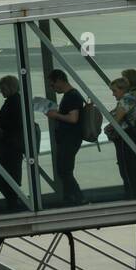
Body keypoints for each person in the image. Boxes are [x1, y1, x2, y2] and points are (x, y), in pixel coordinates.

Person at [46, 69, 85, 206]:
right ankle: (70, 197)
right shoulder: (70, 95)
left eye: (52, 85)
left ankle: (77, 197)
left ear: (59, 80)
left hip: (70, 139)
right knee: (63, 170)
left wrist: (55, 115)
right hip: (68, 138)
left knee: (64, 170)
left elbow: (73, 118)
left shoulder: (72, 96)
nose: (52, 88)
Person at [106, 77, 136, 198]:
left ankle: (133, 194)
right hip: (131, 136)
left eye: (114, 90)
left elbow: (117, 118)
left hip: (126, 137)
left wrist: (108, 128)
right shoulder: (131, 99)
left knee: (127, 168)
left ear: (122, 89)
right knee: (134, 166)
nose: (113, 94)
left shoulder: (127, 99)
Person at [0, 76, 27, 210]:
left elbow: (14, 124)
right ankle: (13, 202)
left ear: (9, 87)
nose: (1, 92)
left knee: (5, 177)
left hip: (11, 146)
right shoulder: (16, 101)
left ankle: (14, 203)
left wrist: (2, 131)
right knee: (10, 177)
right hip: (14, 146)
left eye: (2, 89)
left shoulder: (13, 102)